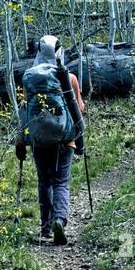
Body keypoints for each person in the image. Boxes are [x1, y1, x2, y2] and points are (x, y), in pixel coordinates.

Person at [15, 35, 85, 245]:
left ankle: (46, 226)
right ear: (58, 52)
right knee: (61, 182)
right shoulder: (68, 77)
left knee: (44, 181)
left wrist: (21, 140)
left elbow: (25, 109)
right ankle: (60, 221)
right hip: (65, 140)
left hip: (39, 139)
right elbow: (79, 108)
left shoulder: (29, 77)